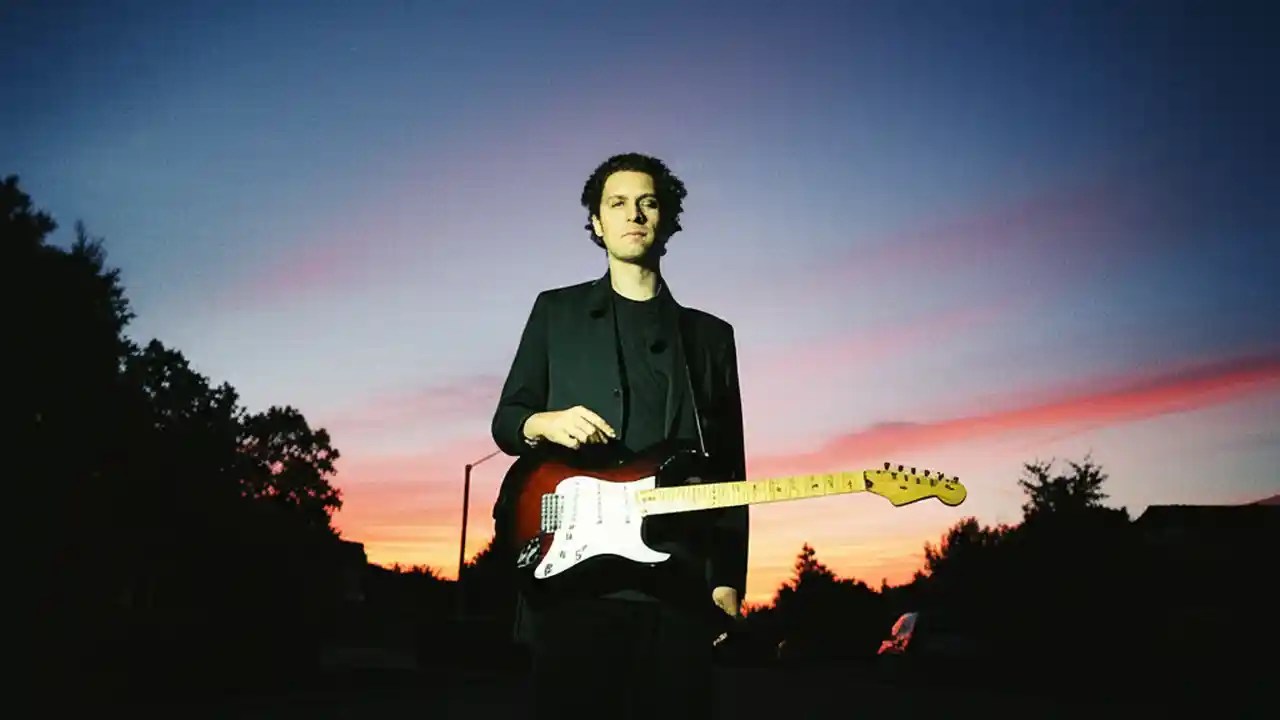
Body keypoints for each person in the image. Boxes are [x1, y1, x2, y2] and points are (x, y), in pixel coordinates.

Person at [490, 152, 749, 719]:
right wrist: (545, 422)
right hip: (572, 584)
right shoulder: (554, 312)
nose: (634, 214)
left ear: (668, 220)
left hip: (678, 580)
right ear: (596, 223)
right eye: (617, 203)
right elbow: (508, 419)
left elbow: (732, 469)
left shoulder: (709, 338)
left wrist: (728, 579)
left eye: (648, 202)